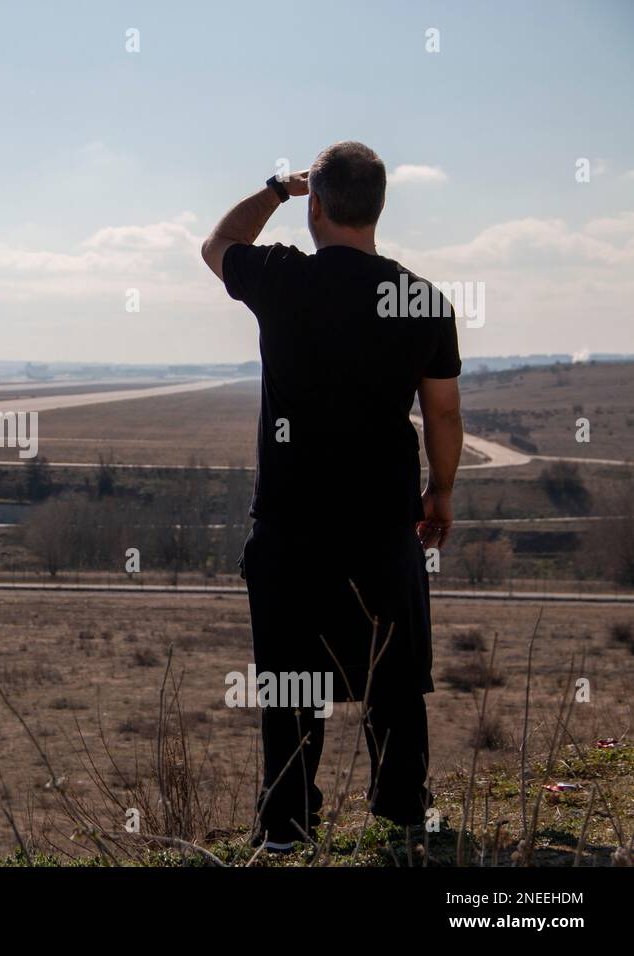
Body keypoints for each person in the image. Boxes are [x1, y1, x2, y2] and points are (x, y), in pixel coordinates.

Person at [200, 141, 464, 849]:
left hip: (290, 523)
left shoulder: (282, 278)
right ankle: (405, 812)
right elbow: (442, 412)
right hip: (384, 518)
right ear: (378, 207)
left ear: (316, 204)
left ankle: (286, 826)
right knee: (395, 671)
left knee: (290, 680)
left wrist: (273, 190)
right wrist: (439, 493)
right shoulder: (420, 298)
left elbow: (218, 242)